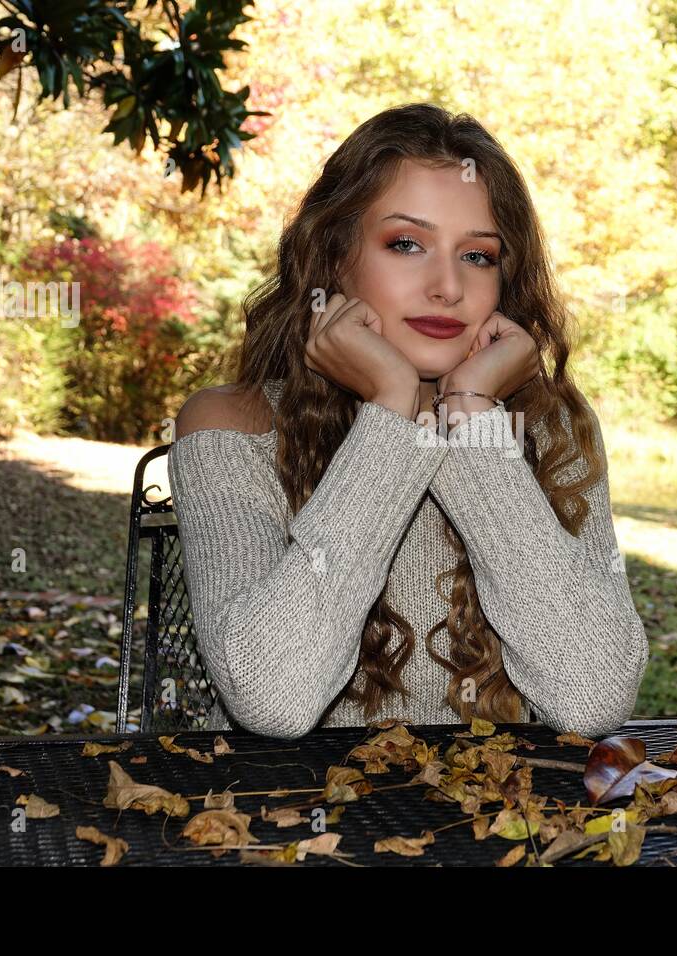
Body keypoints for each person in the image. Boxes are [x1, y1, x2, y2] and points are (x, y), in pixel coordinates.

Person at [167, 102, 648, 739]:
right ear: (334, 258)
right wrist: (392, 411)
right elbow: (271, 696)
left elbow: (593, 699)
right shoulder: (231, 426)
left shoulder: (550, 428)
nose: (447, 286)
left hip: (495, 826)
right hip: (281, 823)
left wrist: (470, 416)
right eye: (406, 244)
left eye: (478, 256)